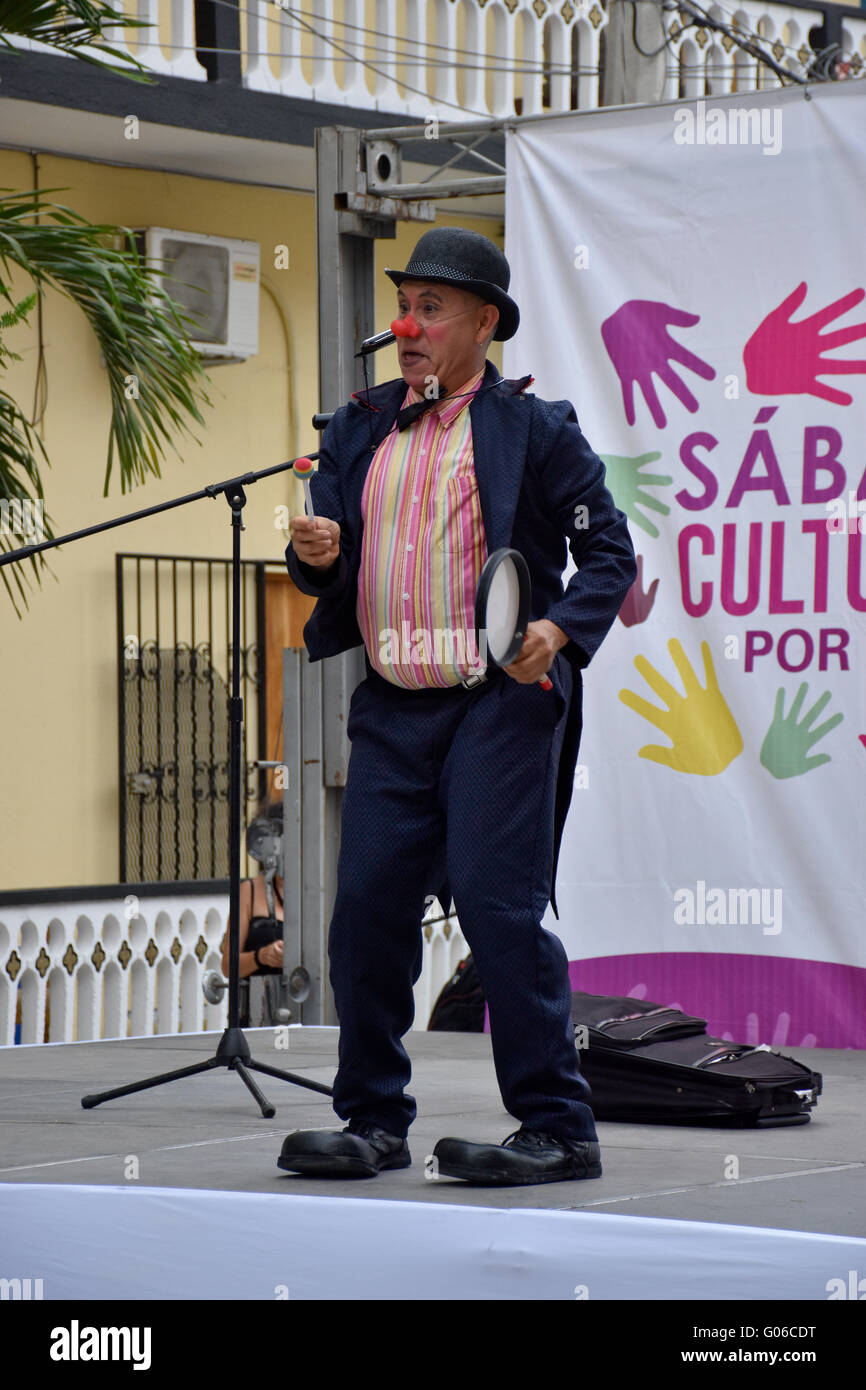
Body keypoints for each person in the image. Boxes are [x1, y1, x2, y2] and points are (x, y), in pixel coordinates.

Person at [277, 226, 637, 1186]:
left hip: (501, 701)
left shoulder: (534, 427)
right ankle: (373, 1121)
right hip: (394, 703)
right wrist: (315, 559)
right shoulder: (357, 427)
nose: (408, 324)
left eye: (432, 308)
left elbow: (610, 553)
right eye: (405, 304)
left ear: (486, 323)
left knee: (497, 906)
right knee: (364, 911)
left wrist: (556, 635)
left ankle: (560, 1128)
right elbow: (339, 567)